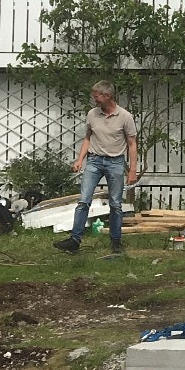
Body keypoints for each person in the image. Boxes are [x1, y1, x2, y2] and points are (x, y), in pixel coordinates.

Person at [54, 81, 139, 256]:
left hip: (115, 162)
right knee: (83, 201)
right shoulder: (92, 114)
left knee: (115, 204)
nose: (95, 99)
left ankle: (116, 242)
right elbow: (87, 138)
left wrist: (132, 170)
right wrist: (80, 159)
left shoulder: (125, 117)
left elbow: (132, 144)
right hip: (94, 161)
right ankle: (75, 240)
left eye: (97, 96)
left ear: (107, 96)